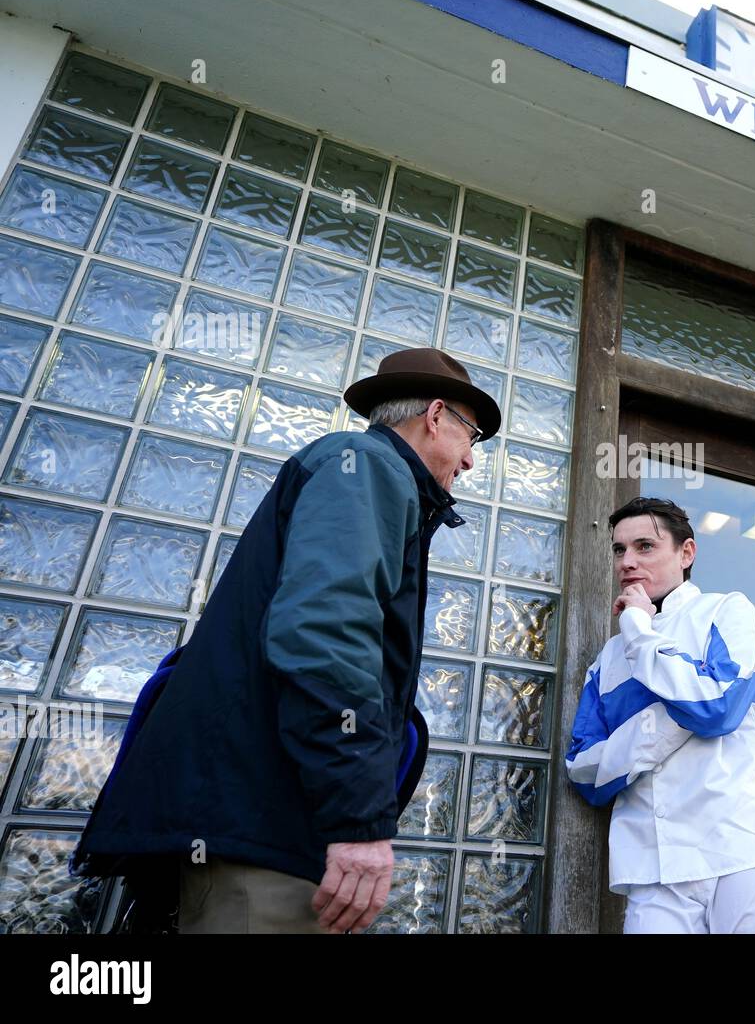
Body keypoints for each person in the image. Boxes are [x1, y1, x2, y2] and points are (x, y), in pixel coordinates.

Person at [71, 348, 500, 934]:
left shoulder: (359, 470)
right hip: (265, 831)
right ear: (434, 415)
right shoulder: (369, 466)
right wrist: (357, 820)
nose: (471, 460)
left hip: (257, 823)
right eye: (471, 436)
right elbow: (324, 636)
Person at [566, 496, 755, 933]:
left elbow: (717, 707)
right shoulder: (606, 660)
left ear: (686, 552)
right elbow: (582, 769)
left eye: (644, 546)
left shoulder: (727, 610)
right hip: (653, 867)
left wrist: (639, 631)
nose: (627, 562)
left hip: (744, 845)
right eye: (619, 550)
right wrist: (669, 722)